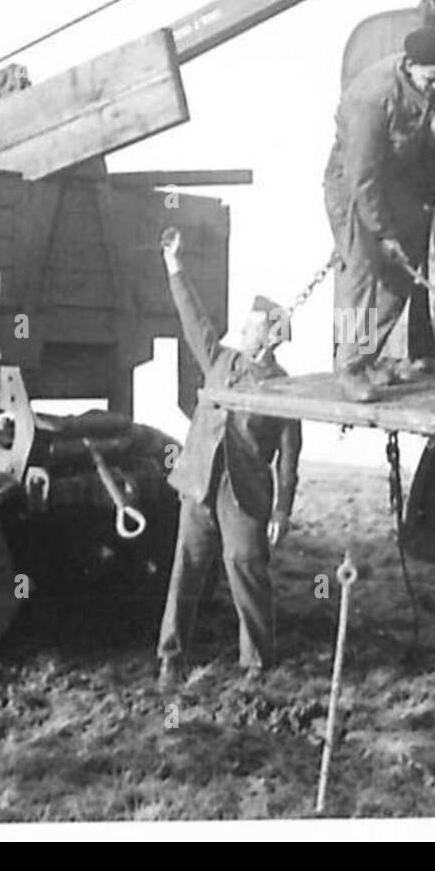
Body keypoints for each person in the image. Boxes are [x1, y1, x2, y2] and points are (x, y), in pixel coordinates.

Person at [156, 227, 302, 686]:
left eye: (251, 325)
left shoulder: (285, 389)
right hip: (199, 484)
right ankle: (170, 659)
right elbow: (192, 316)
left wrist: (282, 509)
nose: (241, 328)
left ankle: (257, 667)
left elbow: (290, 459)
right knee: (187, 570)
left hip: (244, 496)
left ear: (269, 337)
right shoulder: (219, 360)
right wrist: (174, 266)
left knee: (245, 568)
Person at [322, 25, 435, 402]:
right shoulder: (373, 97)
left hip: (393, 182)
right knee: (363, 271)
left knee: (401, 274)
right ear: (410, 66)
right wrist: (383, 234)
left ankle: (368, 357)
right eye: (430, 81)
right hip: (352, 187)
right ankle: (349, 367)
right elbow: (363, 177)